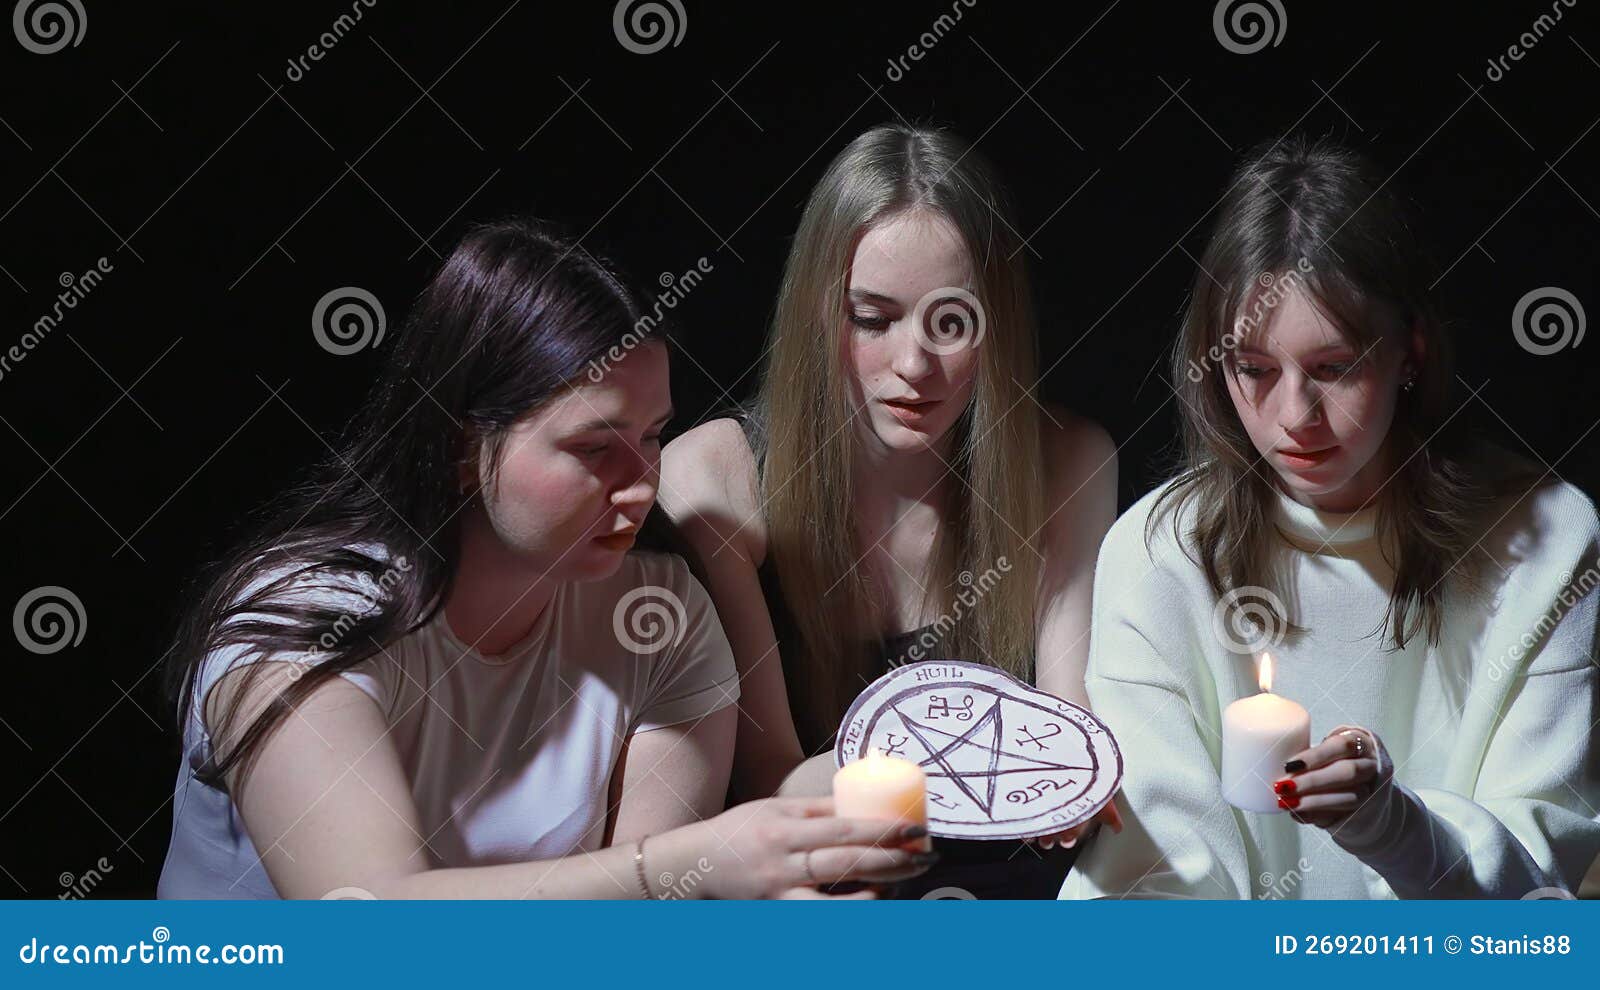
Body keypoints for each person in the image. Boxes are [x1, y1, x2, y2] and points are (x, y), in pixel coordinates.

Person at [157, 219, 935, 899]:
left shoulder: (657, 618)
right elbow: (368, 924)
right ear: (463, 445)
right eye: (595, 447)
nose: (643, 483)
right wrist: (685, 866)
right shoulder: (298, 627)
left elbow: (628, 940)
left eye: (654, 436)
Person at [1062, 137, 1600, 899]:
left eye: (1334, 368)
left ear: (1410, 353)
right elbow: (1153, 882)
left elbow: (1535, 895)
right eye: (1254, 369)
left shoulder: (1546, 539)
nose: (1295, 417)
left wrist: (1396, 829)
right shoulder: (1158, 553)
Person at [661, 123, 1121, 899]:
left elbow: (1071, 740)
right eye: (872, 320)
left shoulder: (1068, 461)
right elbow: (772, 786)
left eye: (952, 322)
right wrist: (991, 762)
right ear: (817, 314)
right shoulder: (715, 477)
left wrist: (1075, 782)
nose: (914, 365)